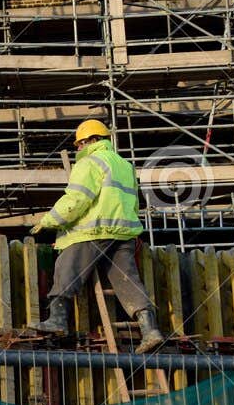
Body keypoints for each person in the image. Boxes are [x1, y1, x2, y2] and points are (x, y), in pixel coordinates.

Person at [29, 119, 165, 353]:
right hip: (123, 233)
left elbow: (77, 199)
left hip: (94, 230)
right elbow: (134, 202)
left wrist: (49, 220)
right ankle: (150, 330)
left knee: (66, 267)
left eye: (81, 143)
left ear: (92, 140)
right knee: (127, 280)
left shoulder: (89, 162)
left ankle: (57, 320)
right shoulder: (125, 165)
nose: (79, 148)